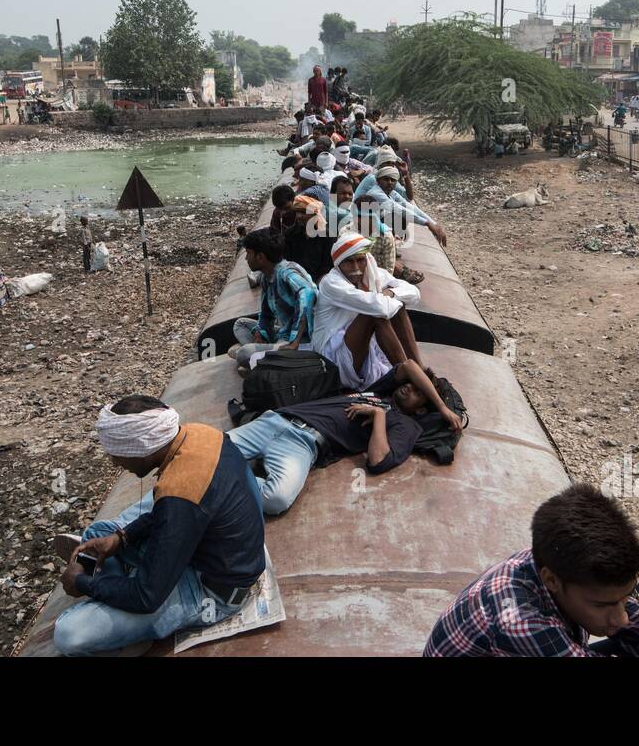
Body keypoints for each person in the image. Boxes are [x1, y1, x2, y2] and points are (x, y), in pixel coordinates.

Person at [52, 395, 266, 655]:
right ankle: (122, 591)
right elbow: (172, 516)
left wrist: (82, 583)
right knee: (100, 534)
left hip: (212, 591)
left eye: (118, 455)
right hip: (209, 550)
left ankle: (126, 630)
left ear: (140, 447)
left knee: (69, 634)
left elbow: (147, 596)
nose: (116, 463)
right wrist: (122, 538)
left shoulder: (179, 494)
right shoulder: (200, 434)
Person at [423, 483, 639, 657]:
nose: (622, 617)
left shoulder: (564, 566)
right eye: (604, 605)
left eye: (624, 598)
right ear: (551, 580)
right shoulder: (521, 622)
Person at [228, 359, 463, 514]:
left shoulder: (406, 425)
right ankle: (223, 470)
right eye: (412, 384)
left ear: (422, 409)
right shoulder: (380, 391)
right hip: (276, 421)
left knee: (276, 499)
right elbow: (410, 365)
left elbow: (378, 460)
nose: (410, 387)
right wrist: (442, 407)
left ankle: (224, 474)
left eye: (418, 392)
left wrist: (379, 415)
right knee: (205, 448)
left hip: (304, 443)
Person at [313, 232, 422, 390]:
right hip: (332, 357)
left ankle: (418, 368)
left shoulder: (372, 273)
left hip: (357, 348)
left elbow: (414, 293)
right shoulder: (332, 283)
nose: (356, 268)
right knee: (376, 314)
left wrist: (391, 293)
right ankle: (406, 373)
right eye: (349, 262)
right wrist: (389, 297)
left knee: (398, 306)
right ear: (338, 264)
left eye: (360, 260)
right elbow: (381, 308)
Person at [229, 228, 318, 368]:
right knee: (240, 324)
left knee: (243, 353)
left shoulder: (286, 273)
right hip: (283, 333)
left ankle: (261, 359)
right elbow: (266, 313)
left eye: (248, 253)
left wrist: (294, 340)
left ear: (260, 257)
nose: (246, 258)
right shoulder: (266, 277)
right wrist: (260, 332)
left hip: (302, 340)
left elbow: (308, 292)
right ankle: (263, 357)